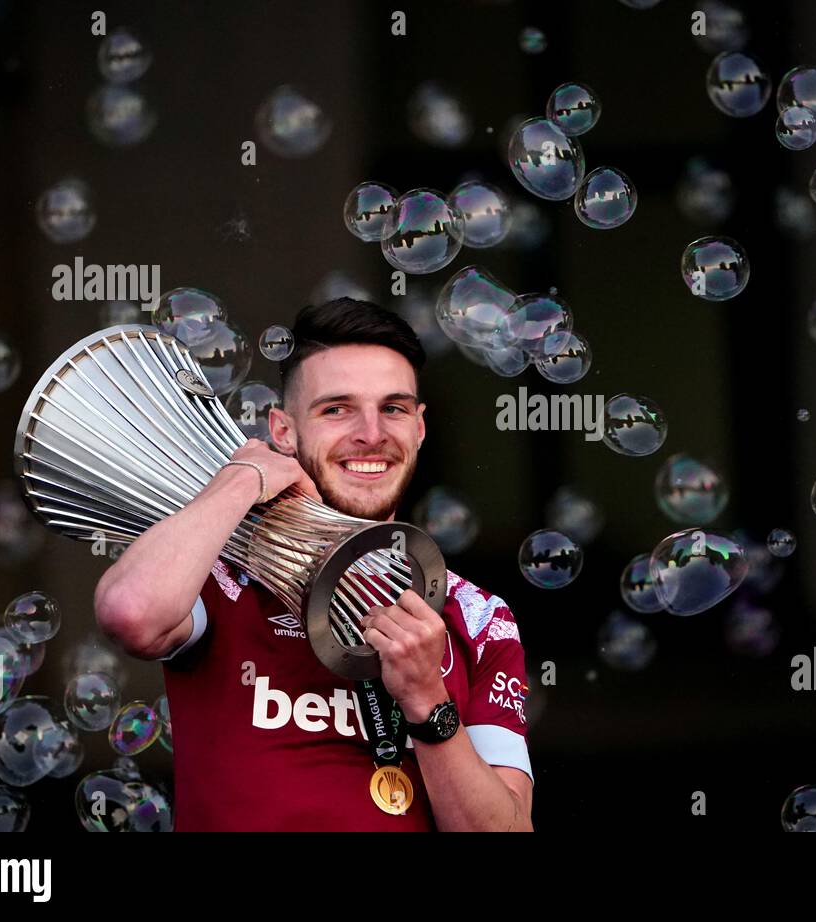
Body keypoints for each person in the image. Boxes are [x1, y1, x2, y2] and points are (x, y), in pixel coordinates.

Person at [94, 297, 533, 831]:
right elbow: (130, 614)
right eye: (336, 409)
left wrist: (426, 702)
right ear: (283, 431)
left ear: (419, 427)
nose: (371, 433)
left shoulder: (478, 617)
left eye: (393, 408)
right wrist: (239, 479)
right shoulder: (223, 571)